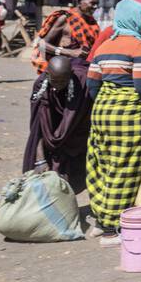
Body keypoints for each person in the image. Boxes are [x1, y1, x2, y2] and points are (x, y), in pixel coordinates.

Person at [85, 0, 141, 246]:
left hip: (102, 112)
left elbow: (92, 83)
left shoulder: (104, 46)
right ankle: (111, 229)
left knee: (101, 165)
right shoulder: (139, 46)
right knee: (124, 168)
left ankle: (99, 219)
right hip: (128, 115)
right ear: (135, 19)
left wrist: (106, 102)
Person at [23, 56, 92, 193]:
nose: (59, 85)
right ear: (47, 74)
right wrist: (41, 159)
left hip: (76, 133)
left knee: (75, 174)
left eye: (63, 81)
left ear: (71, 75)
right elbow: (38, 128)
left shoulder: (83, 83)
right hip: (52, 137)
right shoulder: (41, 85)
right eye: (55, 81)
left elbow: (80, 118)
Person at [35, 0, 102, 78]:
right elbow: (41, 44)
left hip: (85, 72)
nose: (96, 7)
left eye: (97, 4)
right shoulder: (65, 19)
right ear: (79, 2)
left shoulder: (92, 23)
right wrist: (70, 52)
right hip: (62, 73)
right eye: (93, 3)